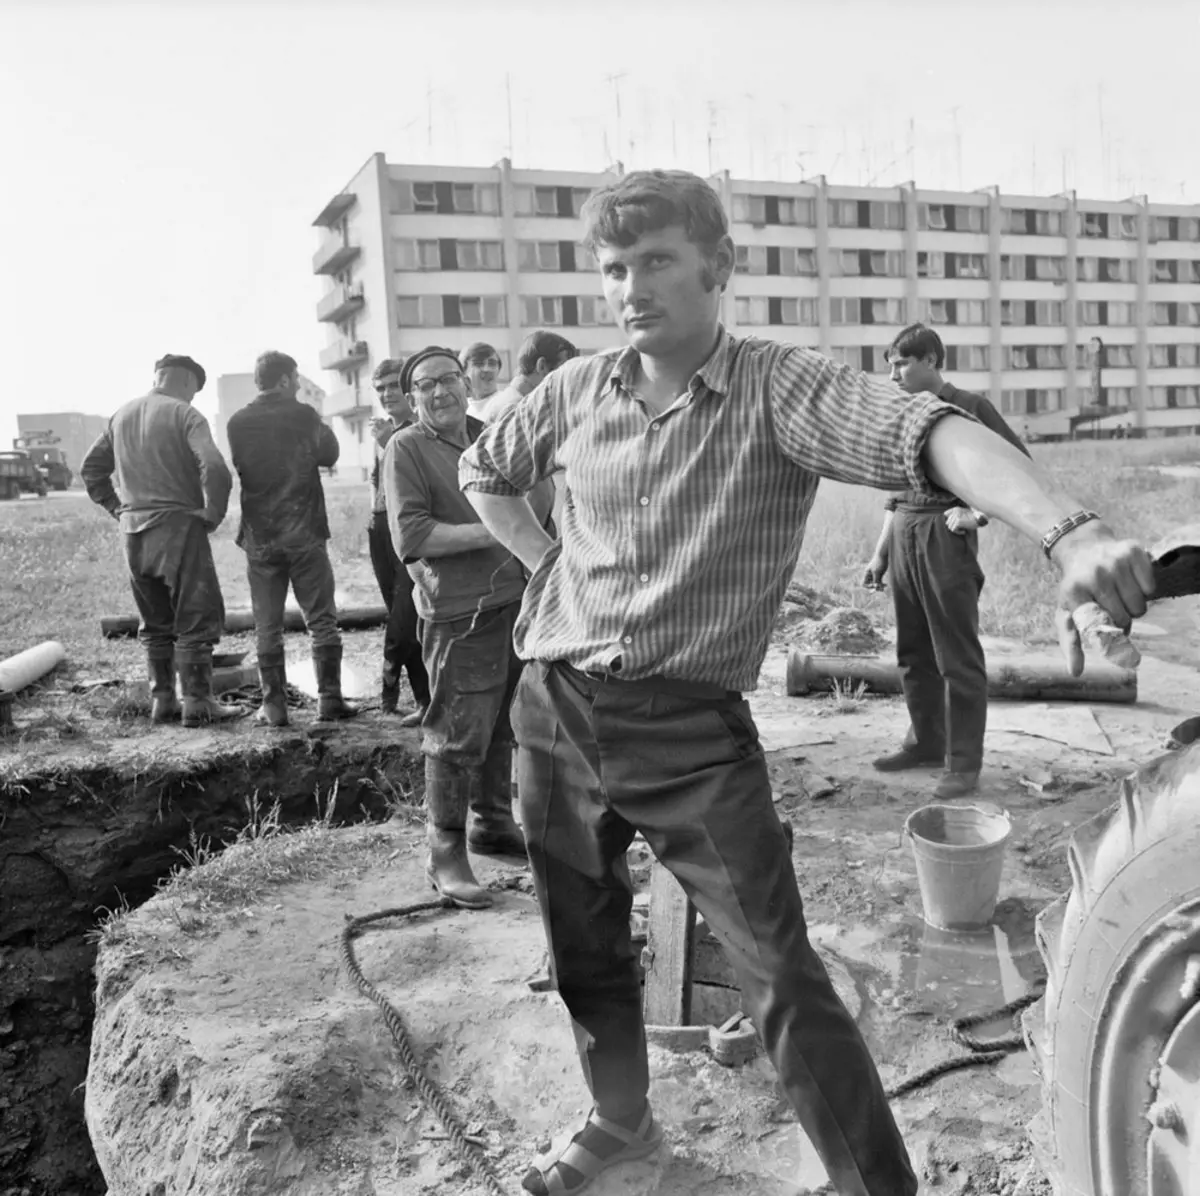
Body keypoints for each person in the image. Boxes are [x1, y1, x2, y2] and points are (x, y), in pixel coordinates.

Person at [457, 169, 1153, 1196]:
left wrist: (1067, 526)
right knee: (583, 938)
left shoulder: (777, 387)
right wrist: (549, 564)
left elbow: (927, 433)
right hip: (555, 710)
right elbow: (485, 467)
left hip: (690, 731)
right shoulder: (573, 389)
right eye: (612, 269)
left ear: (718, 267)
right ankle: (619, 1118)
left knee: (781, 975)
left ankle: (876, 1183)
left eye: (654, 262)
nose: (628, 289)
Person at [382, 347, 554, 909]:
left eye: (449, 380)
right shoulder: (405, 448)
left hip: (512, 600)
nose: (441, 392)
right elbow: (414, 538)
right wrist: (496, 526)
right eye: (426, 385)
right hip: (457, 612)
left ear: (466, 383)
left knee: (505, 722)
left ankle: (493, 822)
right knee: (455, 735)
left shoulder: (489, 433)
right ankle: (446, 854)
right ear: (412, 400)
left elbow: (535, 493)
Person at [863, 323, 1031, 800]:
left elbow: (1018, 467)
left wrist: (975, 514)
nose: (893, 374)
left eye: (902, 363)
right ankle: (925, 744)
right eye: (890, 364)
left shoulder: (970, 408)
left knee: (955, 656)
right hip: (904, 533)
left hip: (943, 532)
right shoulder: (906, 414)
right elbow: (897, 495)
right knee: (912, 652)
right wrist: (880, 553)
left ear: (932, 360)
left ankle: (962, 764)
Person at [81, 354, 238, 727]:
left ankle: (163, 701)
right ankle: (198, 702)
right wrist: (212, 513)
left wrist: (118, 508)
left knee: (154, 623)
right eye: (194, 391)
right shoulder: (185, 414)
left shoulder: (120, 416)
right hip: (177, 527)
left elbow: (91, 469)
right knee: (196, 616)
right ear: (186, 383)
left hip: (133, 533)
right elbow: (215, 468)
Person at [226, 350, 356, 725]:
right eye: (296, 378)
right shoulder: (303, 415)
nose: (299, 384)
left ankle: (274, 707)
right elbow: (330, 455)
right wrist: (313, 412)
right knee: (321, 621)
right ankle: (329, 699)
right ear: (284, 380)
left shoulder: (237, 422)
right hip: (304, 533)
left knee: (268, 626)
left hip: (260, 538)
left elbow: (243, 466)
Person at [366, 358, 430, 724]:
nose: (387, 395)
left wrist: (388, 441)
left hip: (408, 531)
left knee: (407, 619)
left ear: (408, 390)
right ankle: (422, 700)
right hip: (380, 529)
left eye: (392, 386)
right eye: (380, 389)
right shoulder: (385, 430)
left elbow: (416, 480)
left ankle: (389, 695)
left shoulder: (418, 429)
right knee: (399, 614)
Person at [483, 330, 578, 423]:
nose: (568, 381)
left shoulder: (504, 401)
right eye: (564, 372)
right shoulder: (519, 411)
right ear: (542, 366)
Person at [459, 341, 502, 420]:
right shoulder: (460, 411)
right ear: (464, 372)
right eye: (478, 364)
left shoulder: (507, 404)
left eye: (492, 363)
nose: (487, 369)